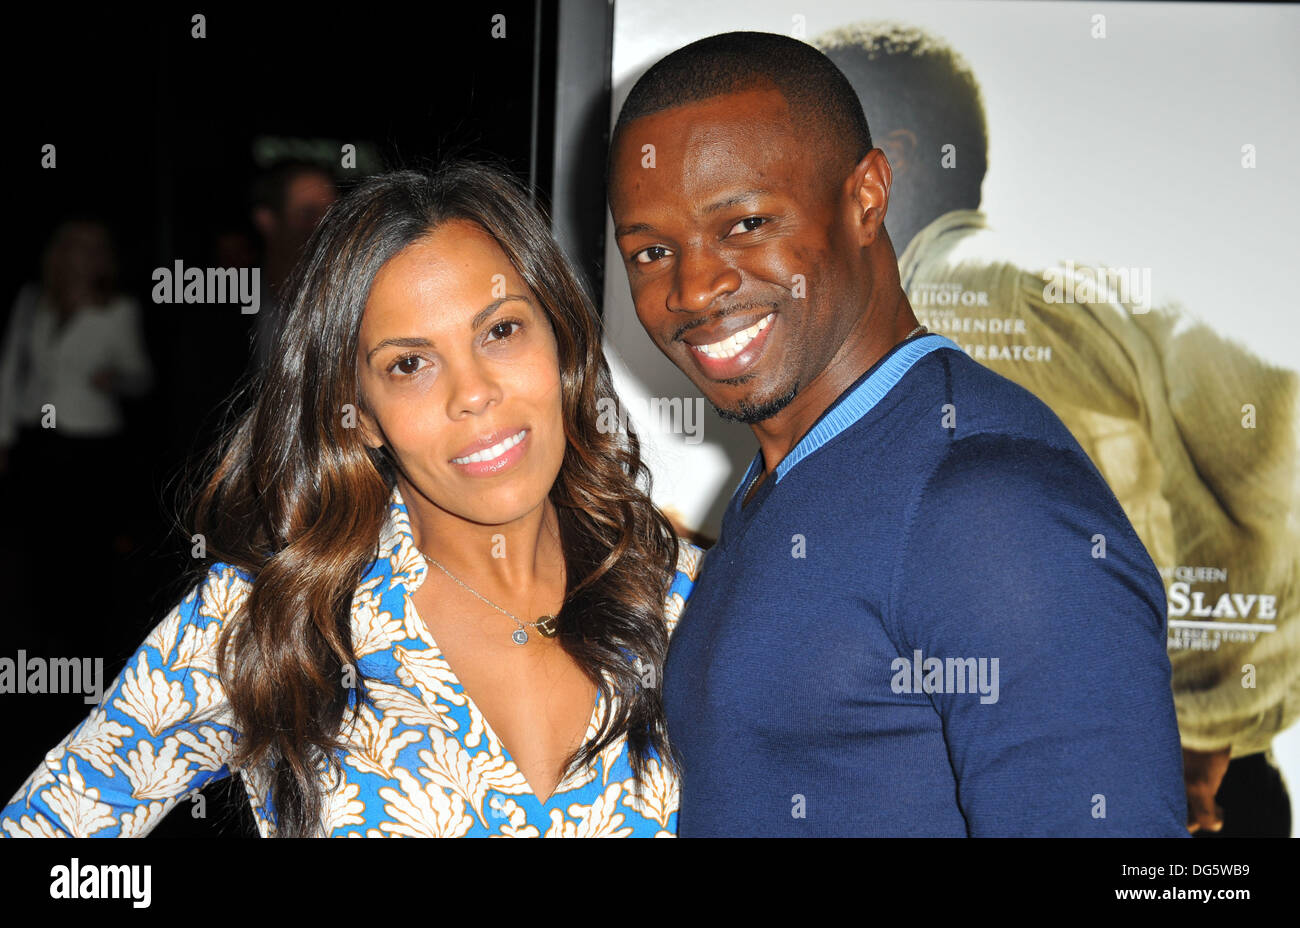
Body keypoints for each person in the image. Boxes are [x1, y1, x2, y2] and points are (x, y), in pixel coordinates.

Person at [1, 161, 701, 838]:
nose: (474, 392)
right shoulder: (278, 618)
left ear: (561, 341)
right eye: (409, 365)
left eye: (501, 330)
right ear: (358, 413)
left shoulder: (682, 598)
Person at [606, 31, 1187, 836]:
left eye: (745, 223)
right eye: (652, 251)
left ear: (867, 197)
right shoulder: (789, 478)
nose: (694, 287)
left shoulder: (990, 502)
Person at [818, 20, 1299, 837]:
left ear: (881, 170)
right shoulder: (1066, 283)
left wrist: (1182, 732)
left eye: (793, 156)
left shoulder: (939, 309)